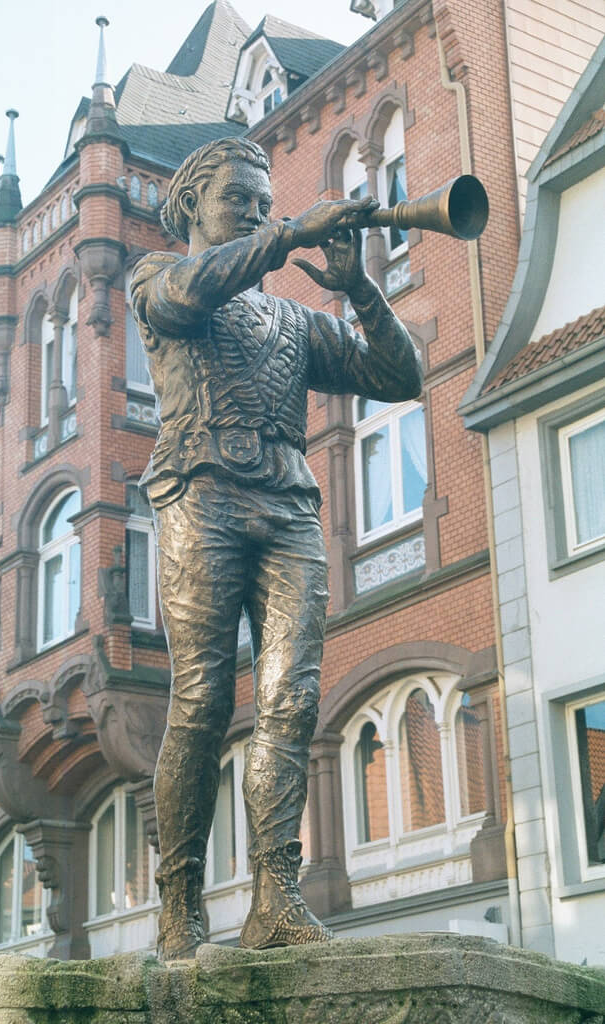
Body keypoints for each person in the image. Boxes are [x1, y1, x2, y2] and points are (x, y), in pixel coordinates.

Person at [131, 137, 422, 961]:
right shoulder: (156, 277)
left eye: (266, 204)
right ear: (191, 206)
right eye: (241, 202)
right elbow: (190, 296)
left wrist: (358, 285)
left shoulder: (293, 320)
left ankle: (275, 895)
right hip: (200, 492)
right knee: (201, 699)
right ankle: (179, 901)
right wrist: (290, 235)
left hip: (287, 506)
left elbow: (397, 377)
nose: (259, 214)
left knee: (292, 700)